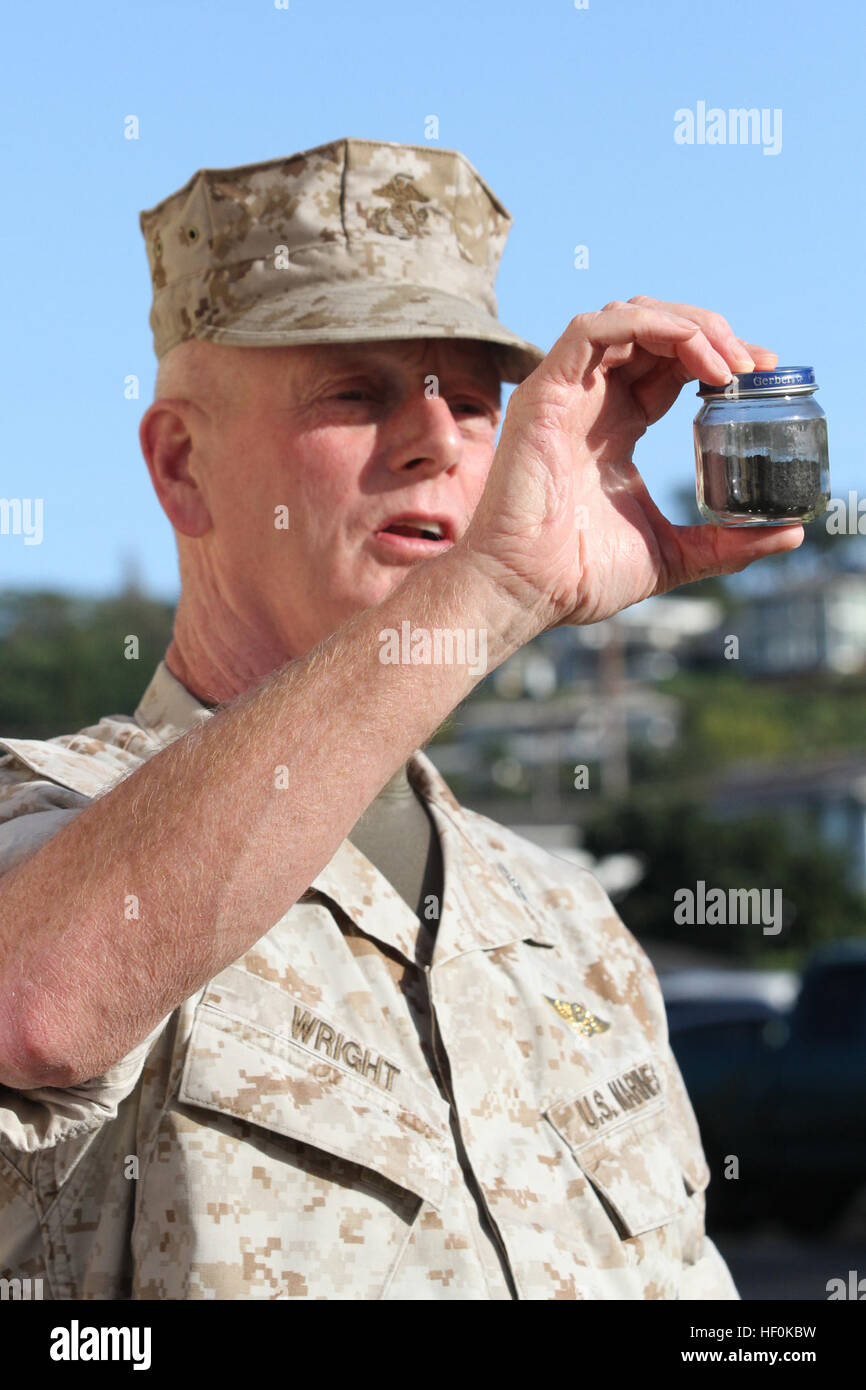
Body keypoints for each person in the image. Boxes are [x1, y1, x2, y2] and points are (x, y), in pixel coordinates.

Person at [0, 137, 801, 1300]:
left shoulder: (565, 923)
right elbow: (39, 1007)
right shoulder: (55, 823)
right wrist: (489, 589)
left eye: (473, 403)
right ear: (181, 465)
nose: (435, 441)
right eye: (355, 394)